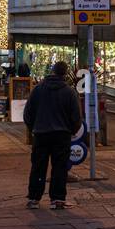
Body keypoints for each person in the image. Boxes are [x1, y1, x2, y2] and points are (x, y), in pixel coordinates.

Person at [23, 61, 82, 209]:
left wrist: (33, 128)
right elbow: (76, 117)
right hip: (61, 135)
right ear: (65, 73)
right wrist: (72, 131)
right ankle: (57, 199)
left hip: (41, 134)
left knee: (38, 166)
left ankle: (34, 198)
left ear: (52, 71)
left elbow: (28, 114)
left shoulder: (37, 90)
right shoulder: (69, 92)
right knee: (59, 167)